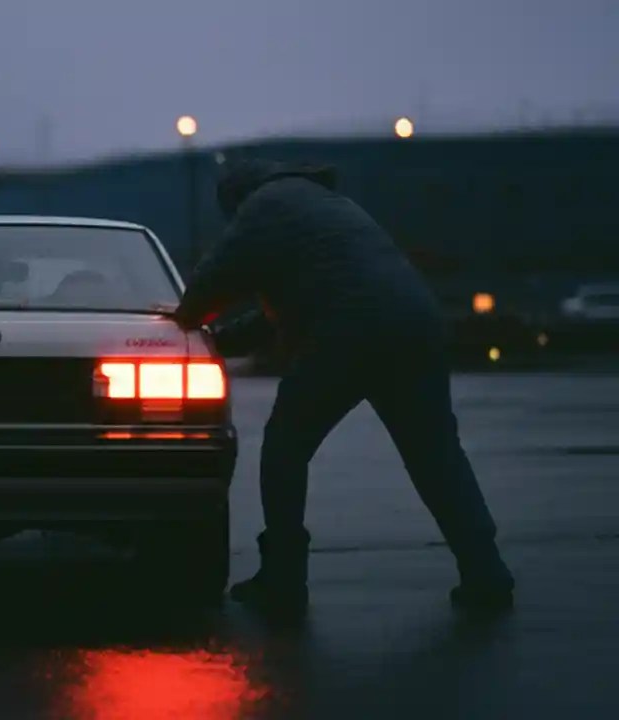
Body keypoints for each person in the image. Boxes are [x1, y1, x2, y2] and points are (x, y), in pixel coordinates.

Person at [172, 158, 515, 617]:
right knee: (435, 455)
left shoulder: (265, 206)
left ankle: (284, 578)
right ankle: (485, 570)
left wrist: (182, 324)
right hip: (416, 324)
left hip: (351, 332)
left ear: (236, 197)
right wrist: (216, 340)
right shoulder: (326, 205)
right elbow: (284, 313)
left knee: (285, 448)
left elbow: (212, 281)